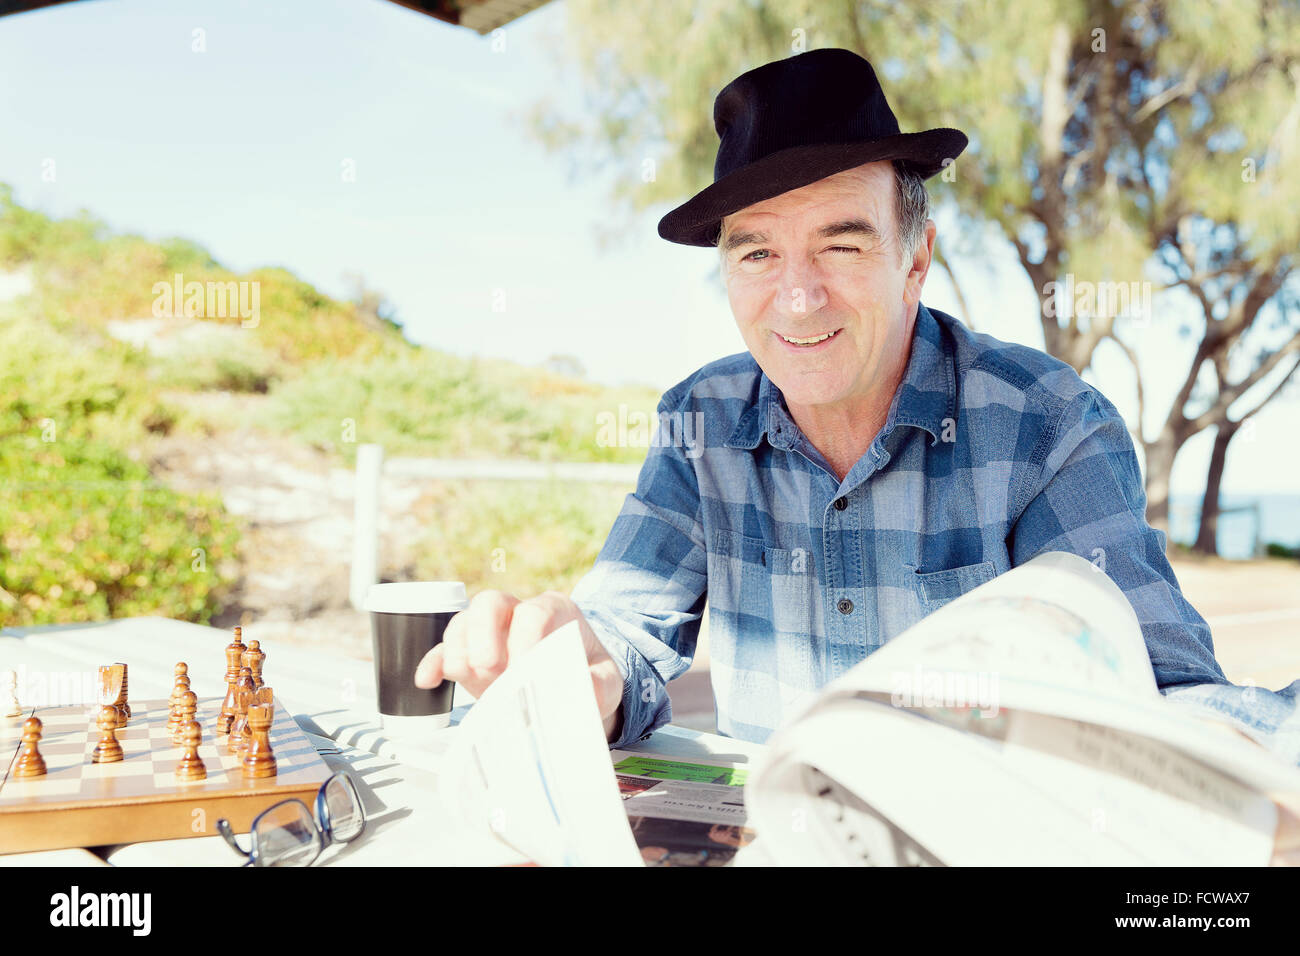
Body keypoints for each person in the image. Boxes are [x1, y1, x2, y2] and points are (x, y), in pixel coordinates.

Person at [414, 48, 1300, 765]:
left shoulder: (1049, 428)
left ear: (915, 258)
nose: (797, 299)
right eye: (757, 254)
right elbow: (627, 639)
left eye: (841, 242)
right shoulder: (701, 419)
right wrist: (587, 667)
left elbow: (1164, 698)